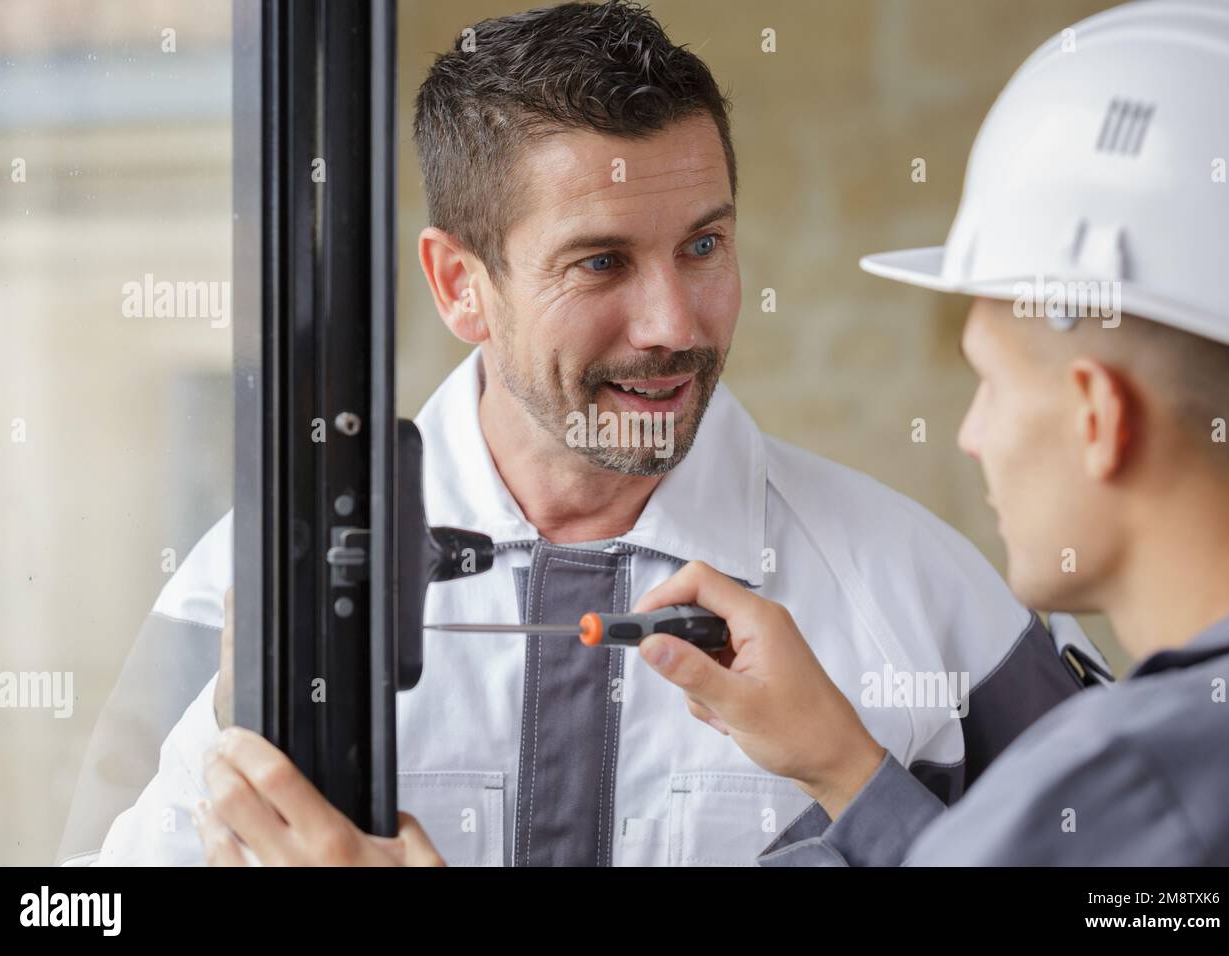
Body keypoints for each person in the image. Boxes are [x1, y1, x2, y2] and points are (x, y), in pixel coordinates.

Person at [78, 0, 1101, 868]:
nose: (675, 324)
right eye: (600, 263)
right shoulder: (243, 599)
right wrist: (218, 758)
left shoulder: (934, 603)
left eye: (703, 244)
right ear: (457, 285)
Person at [633, 0, 1229, 865]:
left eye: (991, 383)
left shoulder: (1122, 784)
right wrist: (848, 773)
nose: (971, 435)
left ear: (1099, 418)